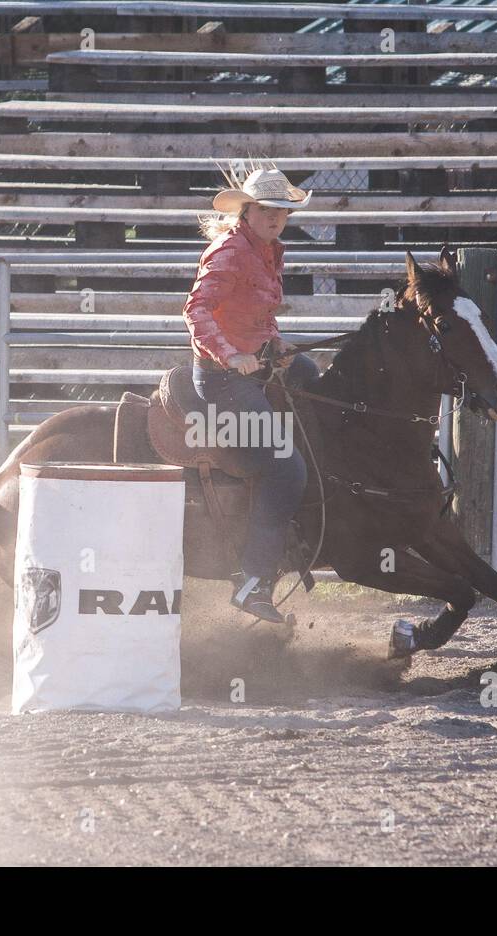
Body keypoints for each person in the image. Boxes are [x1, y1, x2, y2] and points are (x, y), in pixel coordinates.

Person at [183, 165, 321, 624]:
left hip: (254, 363)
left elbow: (262, 314)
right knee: (284, 467)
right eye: (268, 210)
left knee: (312, 379)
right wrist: (229, 356)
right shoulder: (229, 251)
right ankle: (253, 581)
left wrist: (275, 344)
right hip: (223, 378)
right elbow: (197, 311)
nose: (276, 218)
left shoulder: (268, 250)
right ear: (248, 211)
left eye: (282, 211)